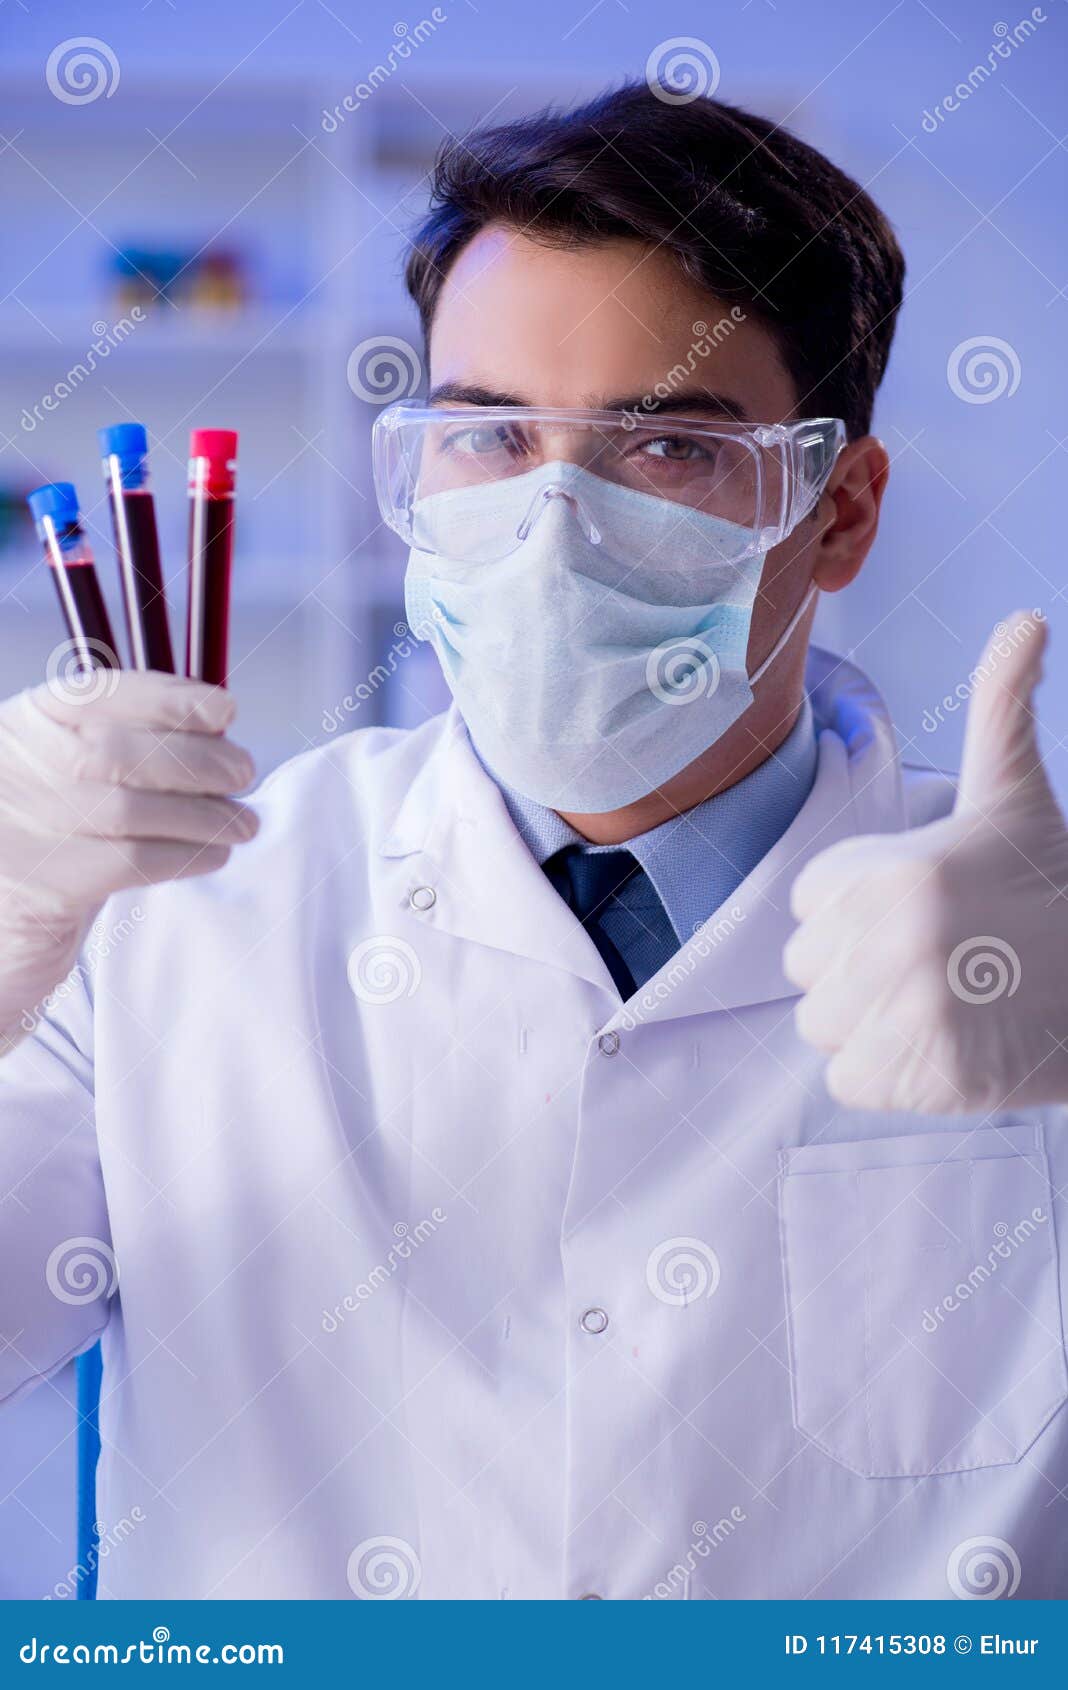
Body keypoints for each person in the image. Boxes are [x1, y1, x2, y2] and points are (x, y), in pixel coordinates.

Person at [0, 82, 1065, 1601]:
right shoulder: (169, 914)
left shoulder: (1019, 933)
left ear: (837, 512)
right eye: (492, 435)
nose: (552, 524)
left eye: (670, 448)